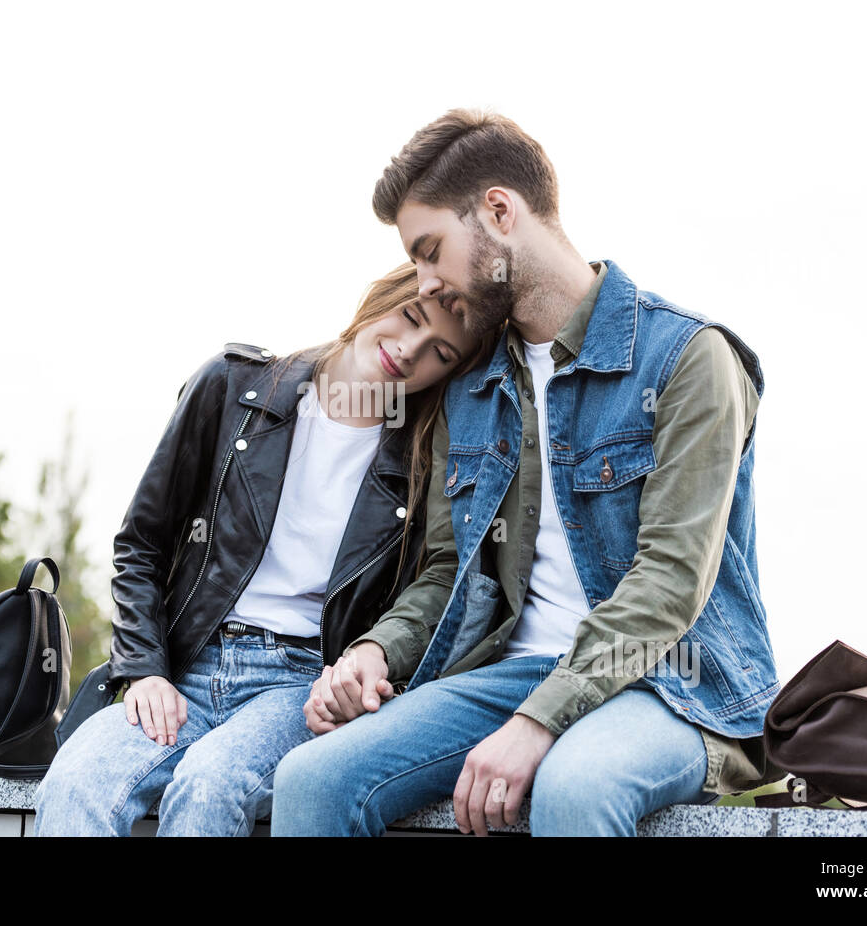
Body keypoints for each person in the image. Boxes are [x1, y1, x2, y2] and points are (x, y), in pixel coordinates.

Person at [271, 108, 788, 837]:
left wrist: (539, 721)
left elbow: (669, 584)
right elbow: (451, 565)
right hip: (510, 675)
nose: (424, 282)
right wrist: (374, 649)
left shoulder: (687, 359)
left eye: (430, 249)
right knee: (311, 779)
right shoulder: (475, 386)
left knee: (574, 788)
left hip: (674, 681)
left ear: (499, 212)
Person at [33, 261, 494, 836]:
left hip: (299, 684)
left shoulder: (423, 460)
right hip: (185, 668)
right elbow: (142, 542)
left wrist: (364, 671)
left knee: (208, 788)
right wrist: (143, 669)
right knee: (75, 784)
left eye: (439, 354)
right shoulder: (232, 388)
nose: (408, 350)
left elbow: (441, 584)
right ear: (383, 297)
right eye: (410, 318)